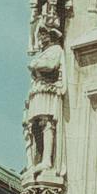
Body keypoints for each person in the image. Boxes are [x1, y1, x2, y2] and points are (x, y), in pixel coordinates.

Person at [23, 18, 65, 176]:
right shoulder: (46, 52)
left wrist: (35, 65)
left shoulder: (56, 50)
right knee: (34, 126)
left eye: (43, 34)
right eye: (39, 34)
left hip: (48, 90)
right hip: (38, 91)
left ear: (51, 35)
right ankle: (37, 159)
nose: (40, 38)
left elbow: (51, 65)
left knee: (46, 123)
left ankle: (47, 159)